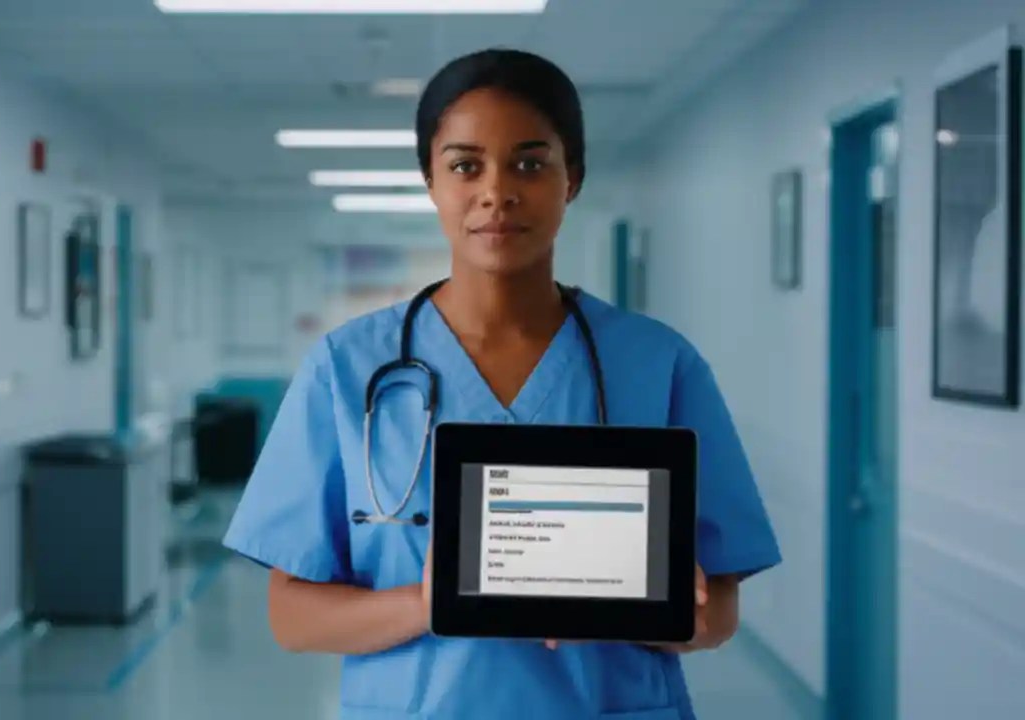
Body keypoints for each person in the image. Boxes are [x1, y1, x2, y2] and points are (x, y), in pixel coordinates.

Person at [222, 48, 781, 719]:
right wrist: (426, 605)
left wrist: (632, 605)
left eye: (529, 163)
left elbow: (716, 613)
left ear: (571, 177)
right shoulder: (347, 368)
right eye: (465, 165)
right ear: (430, 178)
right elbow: (293, 617)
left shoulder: (658, 364)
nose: (496, 191)